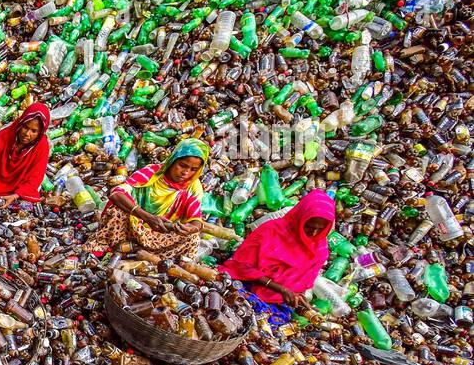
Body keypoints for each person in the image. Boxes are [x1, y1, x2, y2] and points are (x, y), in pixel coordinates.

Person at [220, 189, 336, 324]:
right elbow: (242, 266)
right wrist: (281, 289)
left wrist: (299, 300)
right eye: (309, 226)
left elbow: (301, 285)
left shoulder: (319, 250)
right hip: (247, 283)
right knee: (226, 297)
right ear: (301, 217)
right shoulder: (271, 231)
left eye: (320, 229)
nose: (314, 232)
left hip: (277, 300)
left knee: (269, 324)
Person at [87, 138, 210, 259]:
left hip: (160, 236)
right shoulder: (152, 173)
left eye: (193, 170)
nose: (186, 173)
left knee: (193, 237)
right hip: (132, 228)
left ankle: (147, 257)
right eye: (183, 166)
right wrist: (146, 217)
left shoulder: (193, 186)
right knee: (117, 210)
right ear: (173, 160)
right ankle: (114, 247)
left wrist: (191, 228)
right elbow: (116, 193)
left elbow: (196, 219)